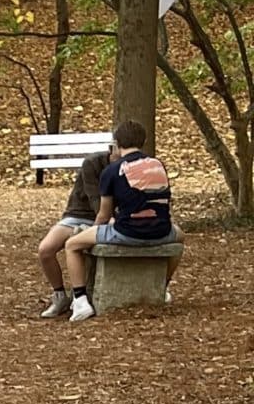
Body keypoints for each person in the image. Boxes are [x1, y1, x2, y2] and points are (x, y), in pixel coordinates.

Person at [61, 120, 180, 322]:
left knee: (72, 245)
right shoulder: (158, 166)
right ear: (144, 141)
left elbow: (104, 214)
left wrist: (95, 232)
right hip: (161, 231)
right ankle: (162, 286)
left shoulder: (112, 171)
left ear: (117, 143)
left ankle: (80, 300)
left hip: (127, 232)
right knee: (180, 237)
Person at [34, 138, 112, 318]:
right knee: (45, 249)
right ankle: (60, 296)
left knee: (78, 245)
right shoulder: (93, 163)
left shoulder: (128, 166)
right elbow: (96, 202)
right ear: (112, 149)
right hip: (79, 215)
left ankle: (82, 296)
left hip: (106, 218)